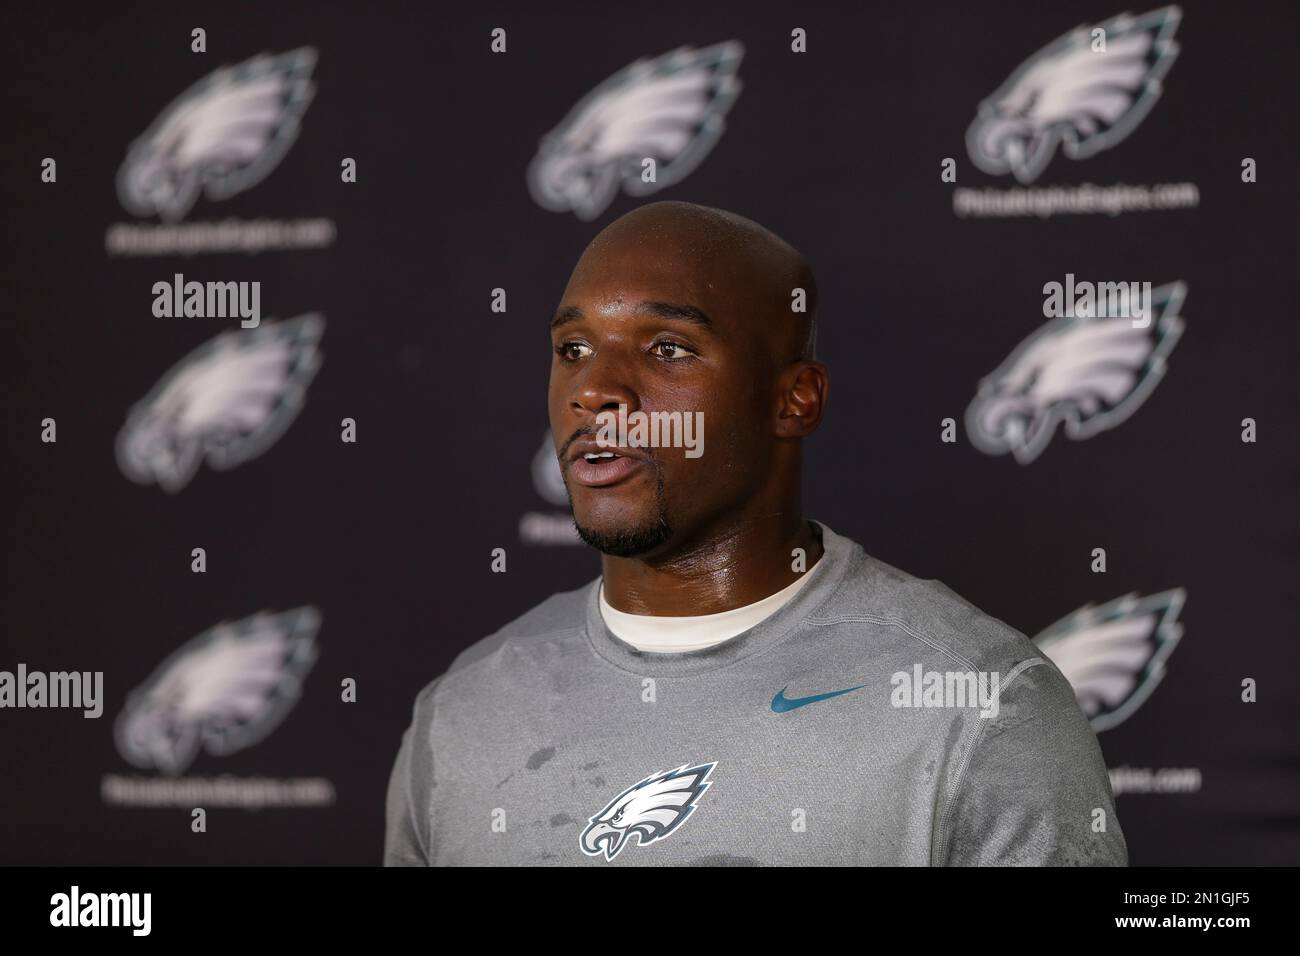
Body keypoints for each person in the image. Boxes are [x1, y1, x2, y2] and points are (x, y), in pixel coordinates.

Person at [384, 201, 1127, 866]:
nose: (594, 390)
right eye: (573, 348)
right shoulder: (463, 715)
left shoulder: (978, 707)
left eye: (667, 347)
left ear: (794, 400)